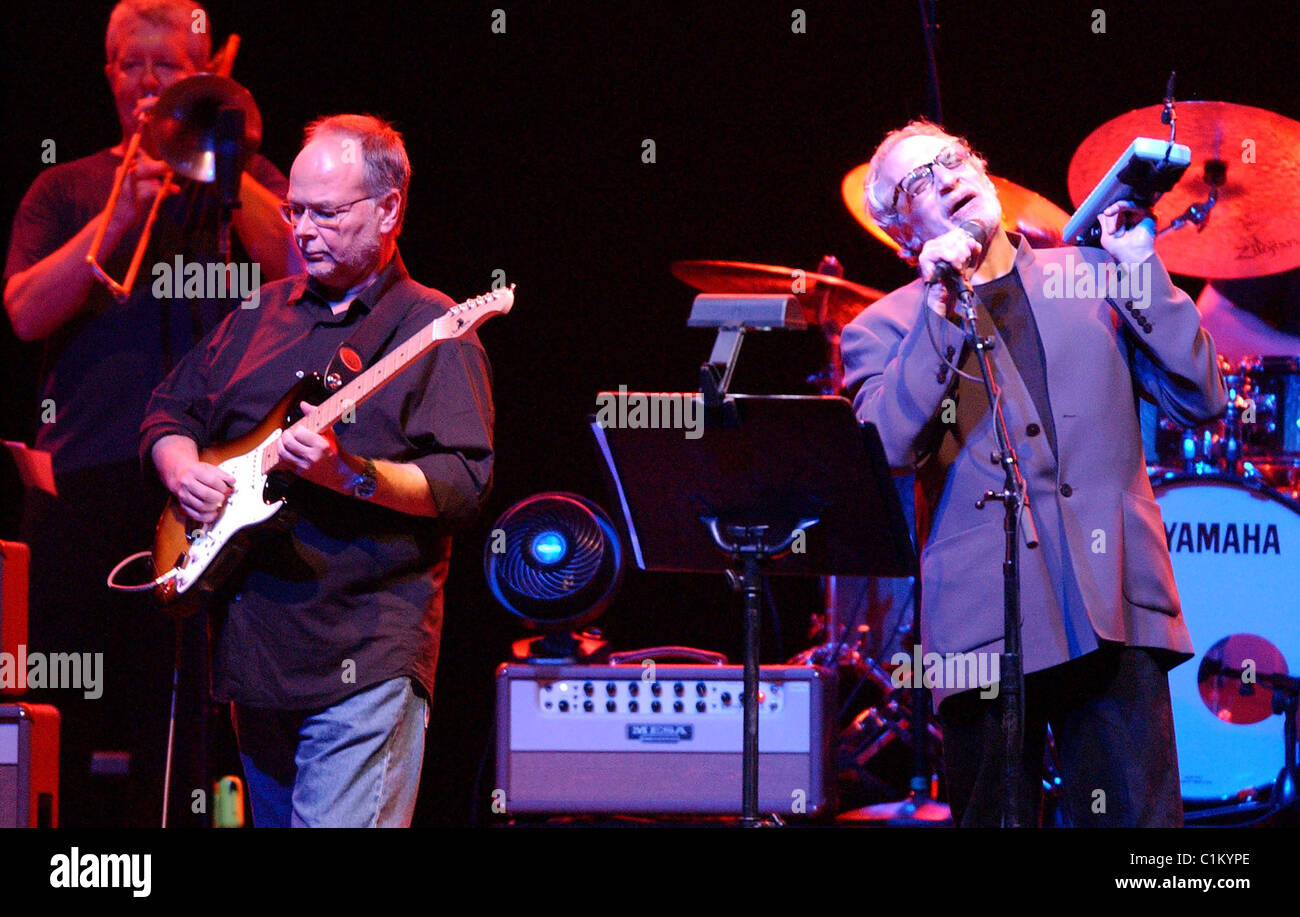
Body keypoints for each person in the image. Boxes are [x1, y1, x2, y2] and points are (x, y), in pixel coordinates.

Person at [840, 120, 1226, 827]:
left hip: (1115, 600)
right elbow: (887, 446)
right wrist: (939, 306)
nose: (946, 177)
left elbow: (1202, 399)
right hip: (982, 625)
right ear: (900, 232)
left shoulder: (1094, 273)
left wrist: (1141, 266)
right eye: (918, 180)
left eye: (953, 159)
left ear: (982, 169)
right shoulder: (882, 328)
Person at [141, 113, 495, 827]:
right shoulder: (260, 312)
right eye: (294, 210)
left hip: (365, 652)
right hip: (253, 655)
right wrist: (182, 472)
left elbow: (463, 483)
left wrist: (350, 473)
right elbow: (168, 410)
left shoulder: (433, 328)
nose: (302, 230)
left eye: (326, 213)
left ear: (389, 209)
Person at [2, 0, 298, 826]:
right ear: (109, 74)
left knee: (185, 714)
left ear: (201, 77)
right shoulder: (65, 186)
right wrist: (119, 218)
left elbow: (301, 265)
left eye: (166, 68)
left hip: (213, 477)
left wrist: (224, 164)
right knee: (62, 696)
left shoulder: (247, 182)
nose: (145, 81)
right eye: (131, 64)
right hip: (85, 477)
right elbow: (23, 311)